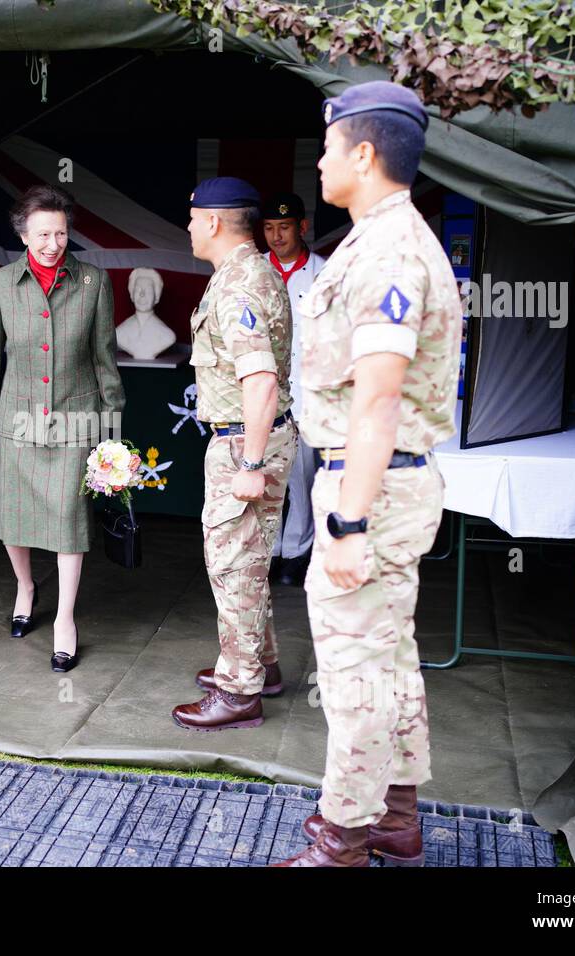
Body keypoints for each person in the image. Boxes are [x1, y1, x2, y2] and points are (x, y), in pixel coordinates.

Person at [277, 82, 463, 867]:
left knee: (352, 670)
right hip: (383, 483)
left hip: (369, 489)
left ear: (363, 152)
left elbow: (380, 395)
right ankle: (394, 815)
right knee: (388, 657)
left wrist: (348, 523)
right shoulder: (374, 238)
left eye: (326, 147)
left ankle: (341, 840)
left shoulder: (388, 248)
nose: (318, 162)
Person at [0, 184, 124, 673]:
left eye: (60, 233)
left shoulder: (93, 283)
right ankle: (26, 586)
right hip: (17, 421)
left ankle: (63, 620)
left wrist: (114, 428)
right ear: (23, 234)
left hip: (76, 421)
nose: (53, 243)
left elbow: (105, 361)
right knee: (14, 521)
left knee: (68, 523)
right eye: (43, 234)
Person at [171, 177, 296, 732]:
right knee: (249, 563)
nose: (190, 227)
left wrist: (248, 464)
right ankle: (261, 667)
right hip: (252, 437)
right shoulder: (250, 271)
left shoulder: (237, 285)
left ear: (214, 221)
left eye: (194, 218)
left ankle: (240, 691)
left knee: (232, 567)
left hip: (244, 441)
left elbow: (261, 381)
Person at [261, 191, 327, 586]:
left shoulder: (324, 272)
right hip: (261, 394)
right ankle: (267, 552)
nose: (276, 236)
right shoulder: (254, 271)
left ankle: (297, 552)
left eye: (284, 227)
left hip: (306, 394)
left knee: (302, 478)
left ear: (301, 227)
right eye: (269, 228)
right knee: (265, 478)